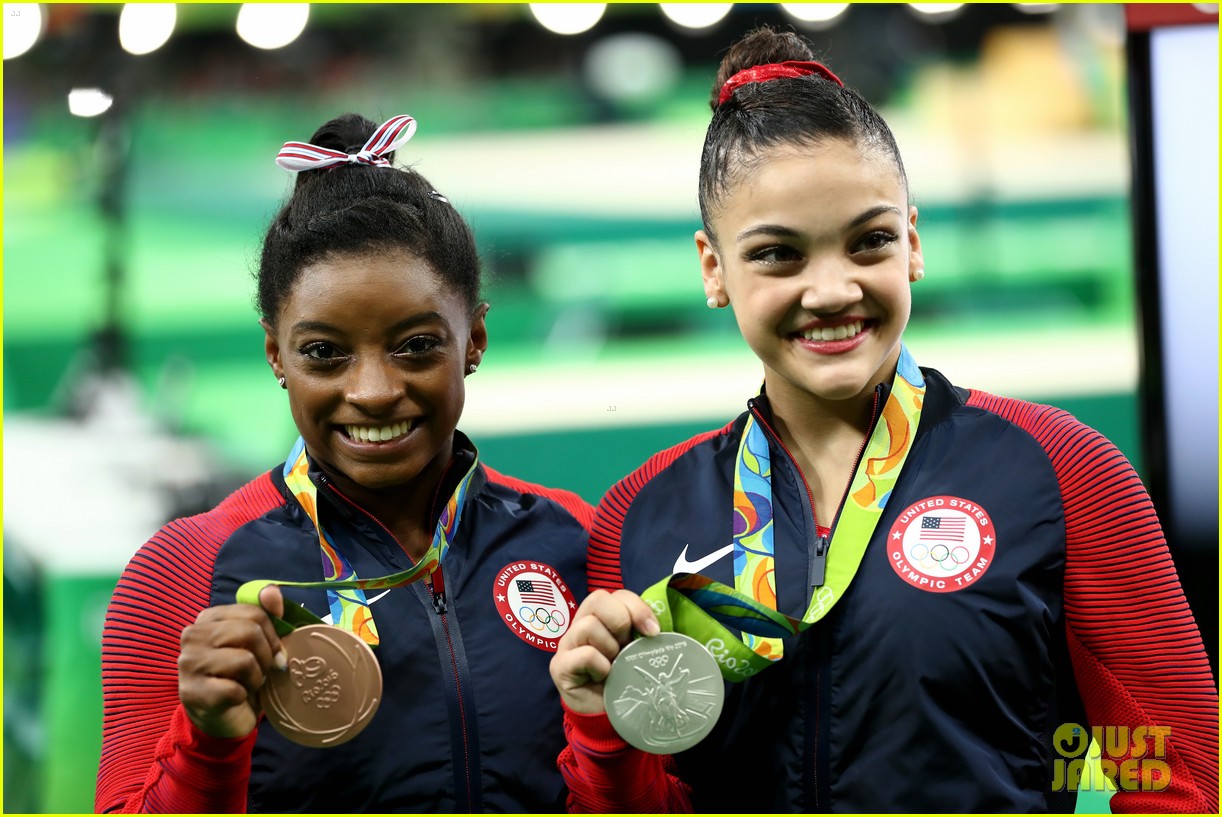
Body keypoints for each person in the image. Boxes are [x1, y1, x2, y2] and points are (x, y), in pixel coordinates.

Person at [549, 27, 1219, 813]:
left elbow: (1177, 773)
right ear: (713, 268)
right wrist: (601, 731)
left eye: (869, 242)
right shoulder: (640, 515)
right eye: (778, 255)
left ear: (912, 243)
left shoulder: (1062, 468)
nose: (832, 290)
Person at [95, 112, 593, 813]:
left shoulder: (577, 538)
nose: (374, 390)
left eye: (416, 345)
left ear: (474, 338)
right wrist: (207, 745)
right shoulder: (182, 571)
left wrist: (606, 734)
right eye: (325, 353)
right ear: (276, 355)